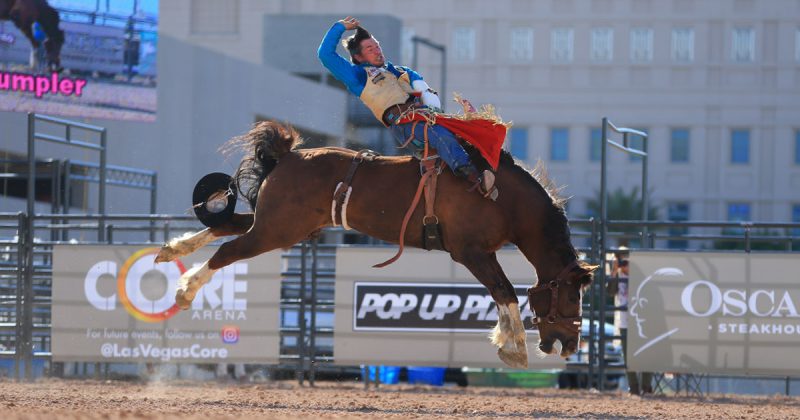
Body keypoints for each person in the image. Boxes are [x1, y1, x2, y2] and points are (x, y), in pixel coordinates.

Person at [317, 16, 500, 200]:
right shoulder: (357, 75)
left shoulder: (399, 71)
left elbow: (423, 89)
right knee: (437, 134)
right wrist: (339, 27)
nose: (377, 51)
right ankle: (475, 179)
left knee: (480, 128)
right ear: (358, 56)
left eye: (378, 46)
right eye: (370, 49)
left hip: (425, 116)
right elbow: (325, 55)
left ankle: (493, 169)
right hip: (403, 125)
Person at [608, 251, 653, 395]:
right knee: (628, 357)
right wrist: (614, 271)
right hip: (625, 321)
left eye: (626, 262)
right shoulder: (618, 275)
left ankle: (646, 386)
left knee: (647, 353)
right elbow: (610, 291)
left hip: (642, 320)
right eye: (622, 262)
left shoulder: (640, 275)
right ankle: (633, 387)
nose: (624, 265)